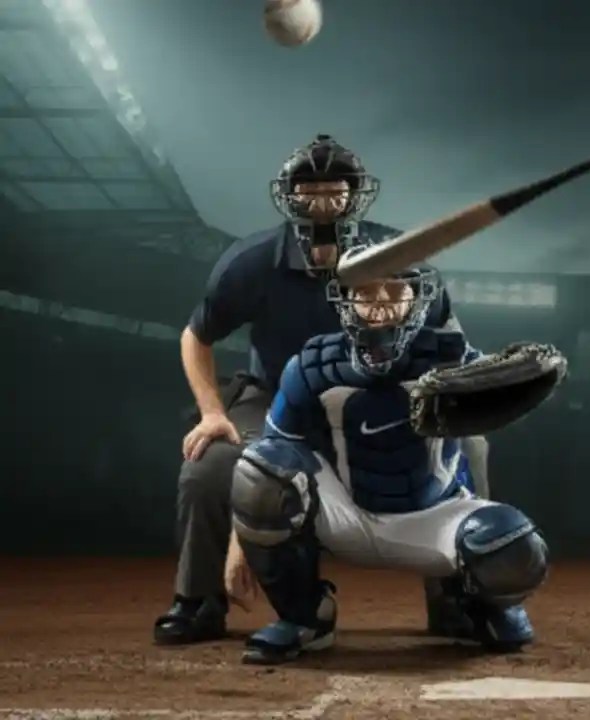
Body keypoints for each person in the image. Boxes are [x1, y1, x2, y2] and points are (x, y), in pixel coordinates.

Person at [152, 134, 467, 645]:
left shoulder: (402, 258)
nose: (322, 200)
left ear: (356, 194)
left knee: (468, 444)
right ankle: (196, 600)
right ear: (289, 195)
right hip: (274, 394)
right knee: (208, 467)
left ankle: (458, 598)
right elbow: (196, 335)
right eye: (309, 188)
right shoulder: (253, 261)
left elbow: (446, 343)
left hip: (375, 396)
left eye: (334, 188)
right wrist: (213, 412)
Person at [226, 253, 548, 664]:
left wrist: (522, 375)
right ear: (345, 300)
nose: (380, 301)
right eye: (365, 291)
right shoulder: (312, 366)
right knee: (262, 467)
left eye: (396, 290)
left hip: (432, 517)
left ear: (417, 299)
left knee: (514, 547)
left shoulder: (453, 360)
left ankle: (475, 606)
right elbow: (268, 453)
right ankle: (306, 616)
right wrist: (240, 547)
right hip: (347, 515)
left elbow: (507, 393)